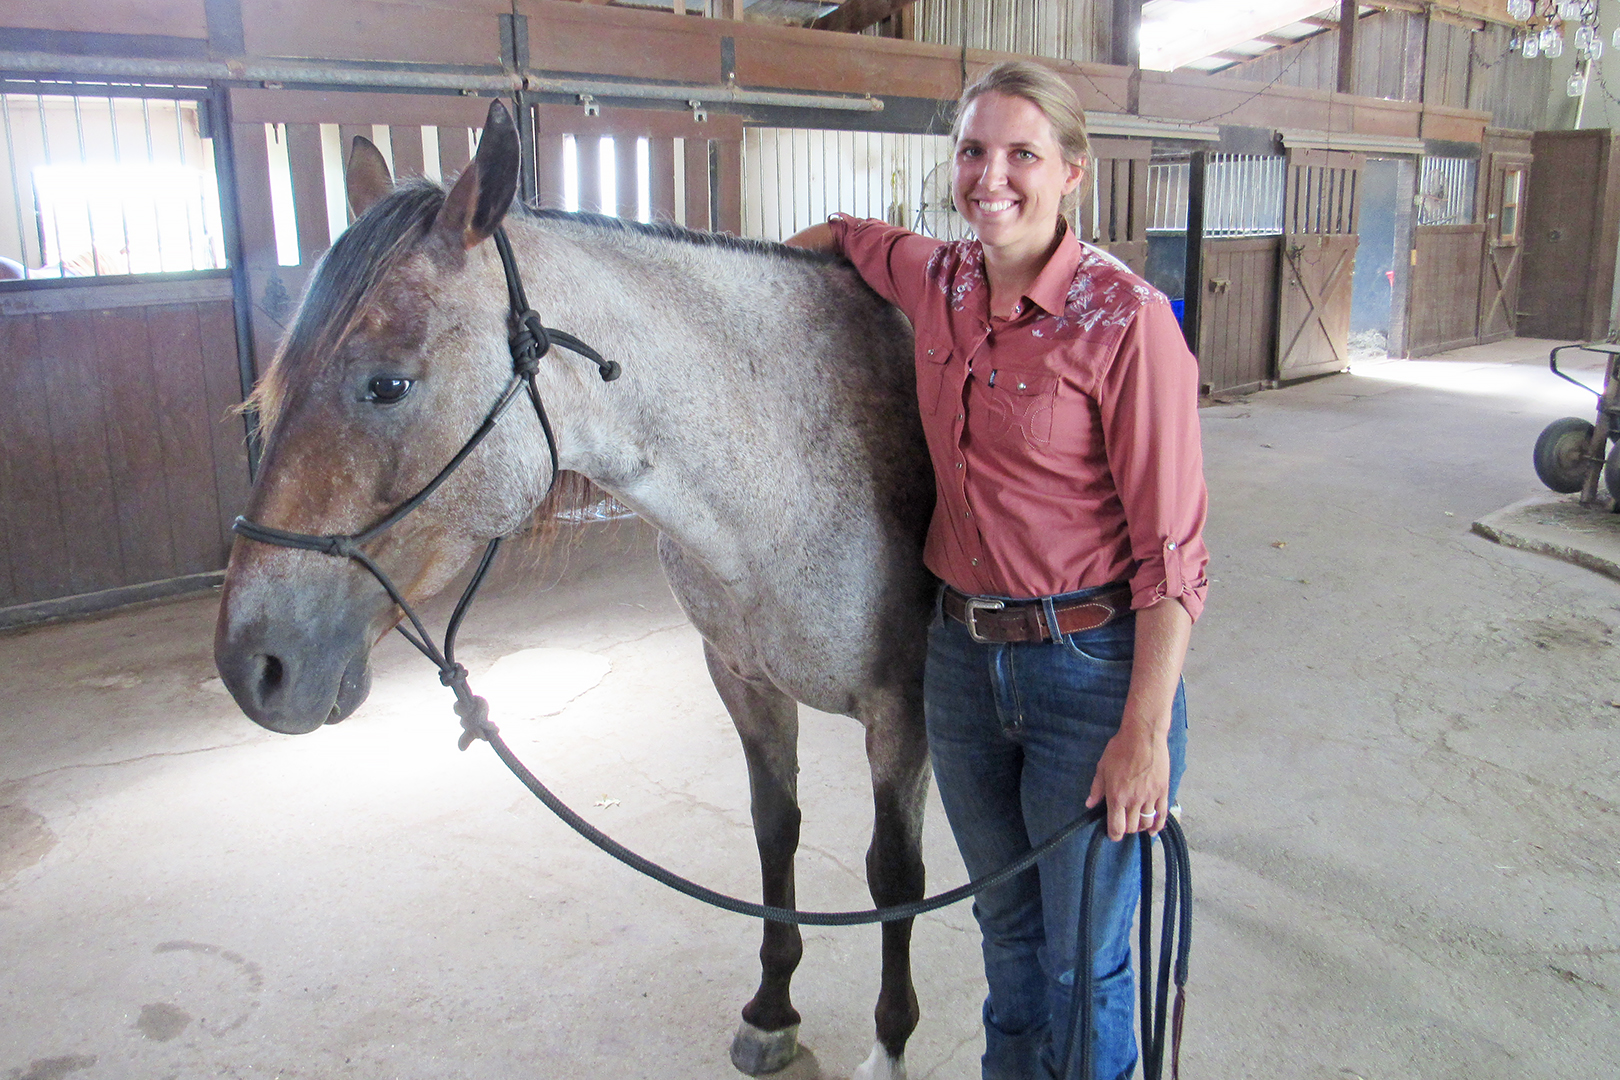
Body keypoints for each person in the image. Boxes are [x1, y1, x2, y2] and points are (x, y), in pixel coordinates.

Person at [787, 61, 1208, 1080]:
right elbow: (845, 236)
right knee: (1007, 933)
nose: (992, 177)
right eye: (974, 152)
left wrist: (1143, 734)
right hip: (966, 666)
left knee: (1082, 964)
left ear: (1073, 171)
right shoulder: (940, 279)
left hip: (1090, 672)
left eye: (1023, 154)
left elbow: (1174, 557)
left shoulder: (1127, 320)